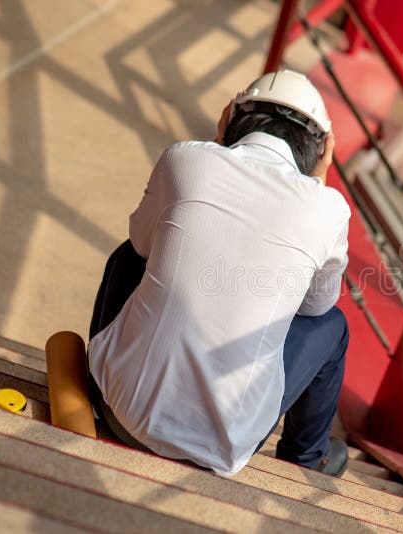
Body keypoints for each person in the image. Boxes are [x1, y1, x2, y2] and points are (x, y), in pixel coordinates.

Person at [86, 69, 351, 477]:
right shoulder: (329, 209)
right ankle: (305, 460)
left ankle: (102, 373)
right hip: (220, 445)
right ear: (322, 151)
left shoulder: (183, 158)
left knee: (130, 253)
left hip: (117, 409)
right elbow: (316, 306)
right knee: (333, 326)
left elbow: (138, 246)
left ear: (229, 115)